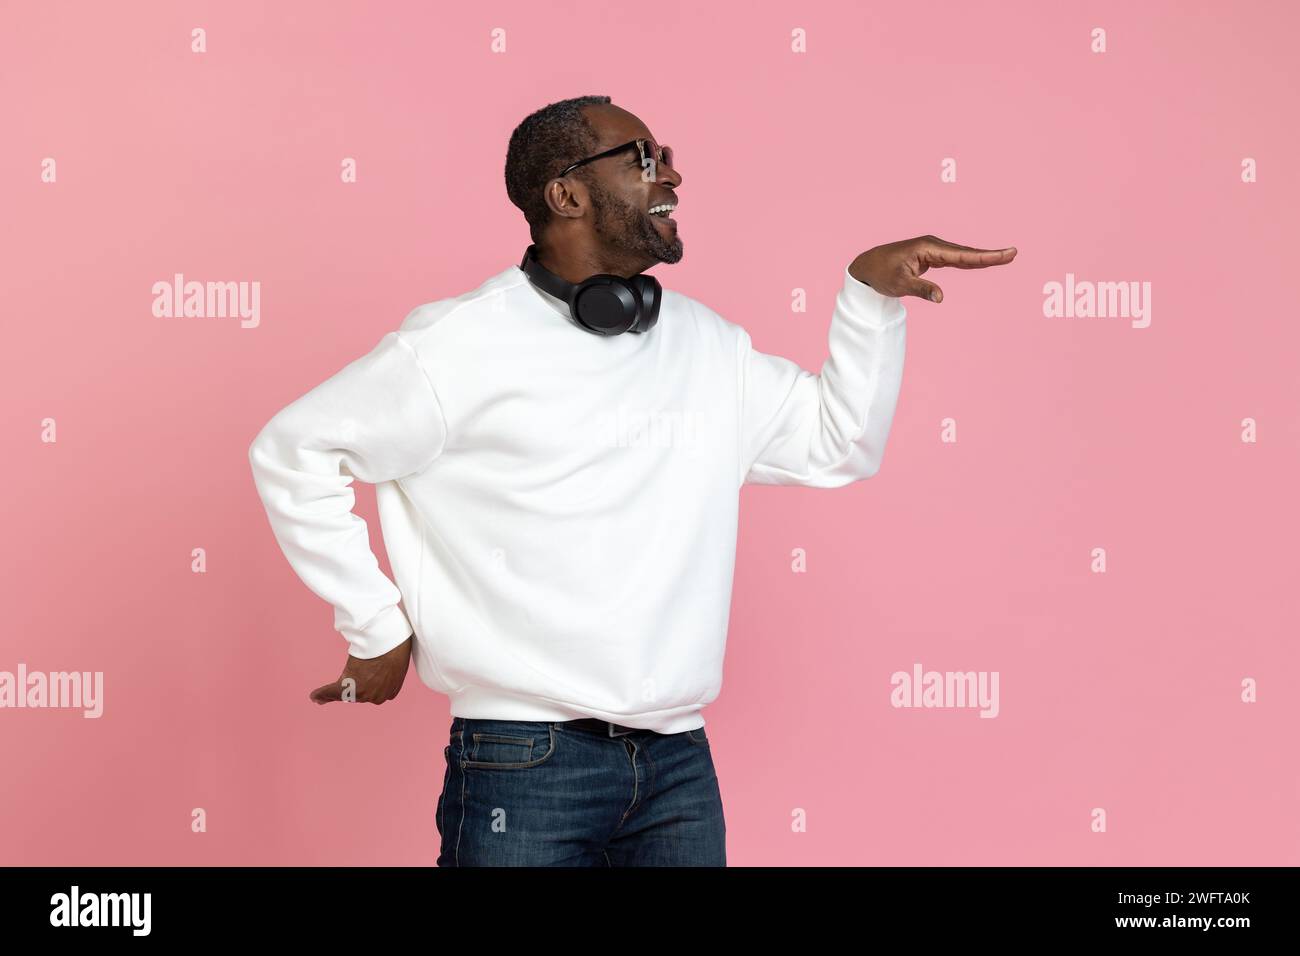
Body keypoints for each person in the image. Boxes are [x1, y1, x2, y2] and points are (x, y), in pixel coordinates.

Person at [248, 95, 1017, 866]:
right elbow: (293, 449)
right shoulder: (455, 346)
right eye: (645, 158)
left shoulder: (705, 344)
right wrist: (375, 623)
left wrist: (869, 299)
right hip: (523, 761)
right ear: (567, 193)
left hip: (677, 762)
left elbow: (838, 443)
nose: (672, 175)